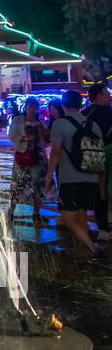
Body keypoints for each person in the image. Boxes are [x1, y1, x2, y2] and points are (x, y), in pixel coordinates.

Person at [46, 89, 105, 258]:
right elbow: (100, 154)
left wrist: (49, 176)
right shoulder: (93, 125)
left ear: (63, 105)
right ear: (81, 105)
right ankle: (84, 249)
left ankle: (92, 247)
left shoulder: (59, 123)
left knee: (67, 217)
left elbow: (55, 152)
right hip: (91, 176)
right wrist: (100, 183)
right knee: (81, 215)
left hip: (69, 178)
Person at [8, 96, 46, 225]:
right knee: (17, 184)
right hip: (22, 157)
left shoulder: (40, 122)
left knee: (37, 185)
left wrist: (42, 132)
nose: (33, 109)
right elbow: (12, 135)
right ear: (26, 107)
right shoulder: (18, 120)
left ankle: (36, 212)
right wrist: (26, 139)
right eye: (30, 106)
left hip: (37, 158)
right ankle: (11, 210)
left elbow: (46, 139)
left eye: (35, 107)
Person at [85, 82, 112, 244]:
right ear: (100, 95)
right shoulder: (108, 112)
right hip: (108, 153)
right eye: (107, 93)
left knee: (98, 191)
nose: (109, 96)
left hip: (90, 155)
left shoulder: (84, 113)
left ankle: (102, 228)